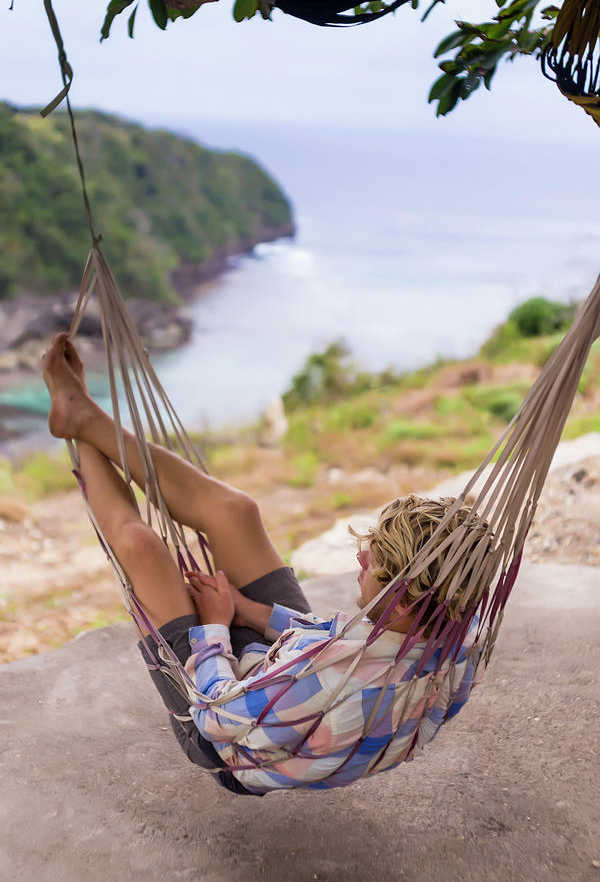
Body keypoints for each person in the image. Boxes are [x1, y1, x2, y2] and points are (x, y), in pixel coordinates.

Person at [42, 332, 486, 797]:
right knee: (238, 514)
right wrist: (246, 610)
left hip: (228, 734)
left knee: (142, 548)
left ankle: (78, 422)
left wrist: (215, 627)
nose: (359, 557)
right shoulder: (455, 623)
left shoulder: (330, 684)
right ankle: (85, 417)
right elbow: (329, 644)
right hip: (286, 679)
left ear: (401, 597)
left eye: (372, 562)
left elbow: (217, 717)